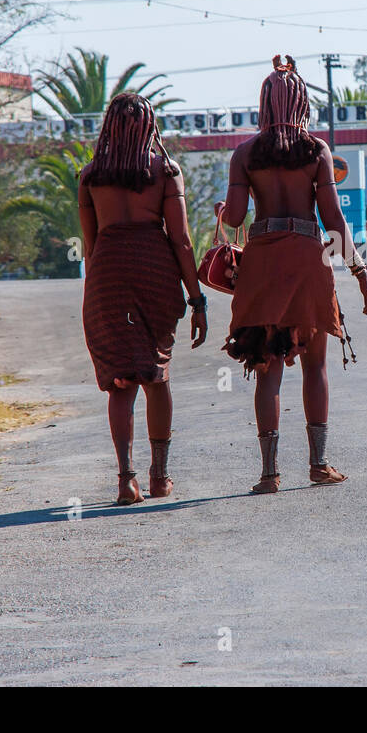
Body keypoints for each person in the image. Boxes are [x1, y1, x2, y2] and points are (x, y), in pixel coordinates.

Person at [218, 55, 367, 494]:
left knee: (268, 365)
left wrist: (223, 210)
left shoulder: (246, 154)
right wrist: (359, 272)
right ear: (303, 102)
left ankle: (269, 475)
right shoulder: (316, 151)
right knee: (315, 365)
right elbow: (333, 220)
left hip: (264, 260)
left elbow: (233, 218)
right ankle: (318, 465)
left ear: (264, 103)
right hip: (309, 259)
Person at [78, 92, 208, 505]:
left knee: (120, 381)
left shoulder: (90, 176)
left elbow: (90, 244)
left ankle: (125, 480)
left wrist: (94, 298)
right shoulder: (166, 172)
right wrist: (197, 299)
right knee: (155, 374)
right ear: (150, 127)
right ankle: (160, 476)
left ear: (109, 128)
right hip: (155, 273)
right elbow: (182, 241)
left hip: (107, 276)